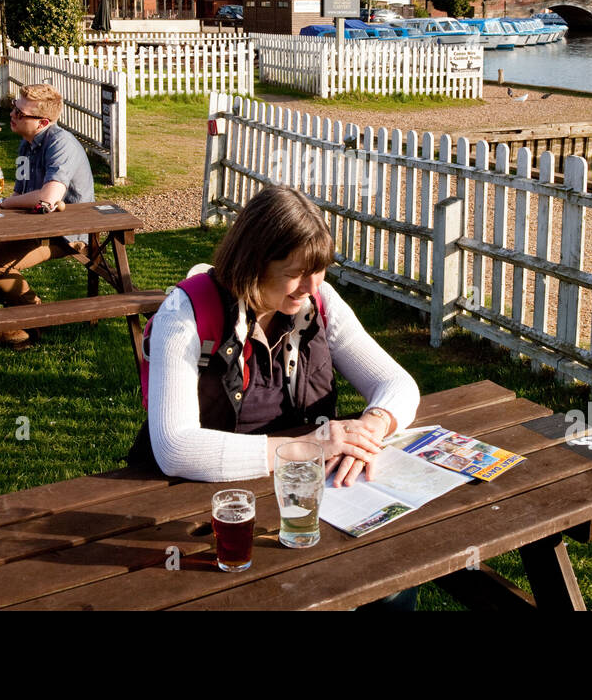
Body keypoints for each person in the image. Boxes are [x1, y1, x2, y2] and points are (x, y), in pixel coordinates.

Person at [132, 185, 420, 489]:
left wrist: (368, 430)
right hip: (192, 496)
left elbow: (397, 384)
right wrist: (308, 448)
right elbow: (175, 448)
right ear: (253, 264)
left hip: (298, 485)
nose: (311, 286)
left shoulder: (318, 300)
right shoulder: (182, 314)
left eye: (320, 269)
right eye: (295, 273)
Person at [0, 84, 93, 344]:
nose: (12, 114)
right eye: (15, 108)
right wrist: (9, 203)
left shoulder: (61, 143)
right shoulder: (25, 146)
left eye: (20, 113)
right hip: (37, 225)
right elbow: (20, 195)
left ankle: (34, 321)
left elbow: (48, 198)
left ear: (42, 122)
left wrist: (4, 203)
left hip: (66, 232)